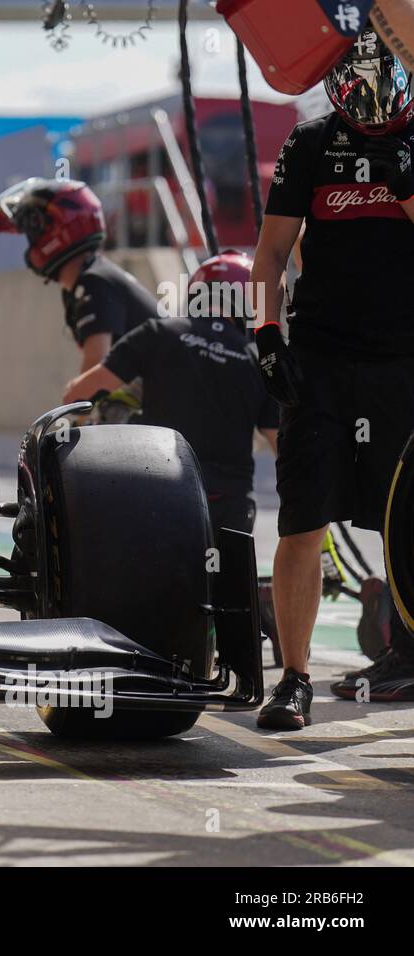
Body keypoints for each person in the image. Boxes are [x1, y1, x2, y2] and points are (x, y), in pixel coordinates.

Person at [251, 27, 414, 730]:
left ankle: (406, 651)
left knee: (403, 520)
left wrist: (402, 180)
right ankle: (294, 678)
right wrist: (265, 335)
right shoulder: (311, 143)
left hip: (403, 360)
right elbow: (270, 259)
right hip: (319, 358)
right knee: (302, 519)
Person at [63, 250, 279, 535]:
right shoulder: (257, 362)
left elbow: (78, 395)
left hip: (161, 497)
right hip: (230, 513)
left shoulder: (158, 333)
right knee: (227, 578)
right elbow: (284, 450)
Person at [0, 178, 157, 377]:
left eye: (33, 233)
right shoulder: (93, 275)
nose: (31, 246)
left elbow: (94, 369)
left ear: (55, 229)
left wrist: (71, 404)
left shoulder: (93, 282)